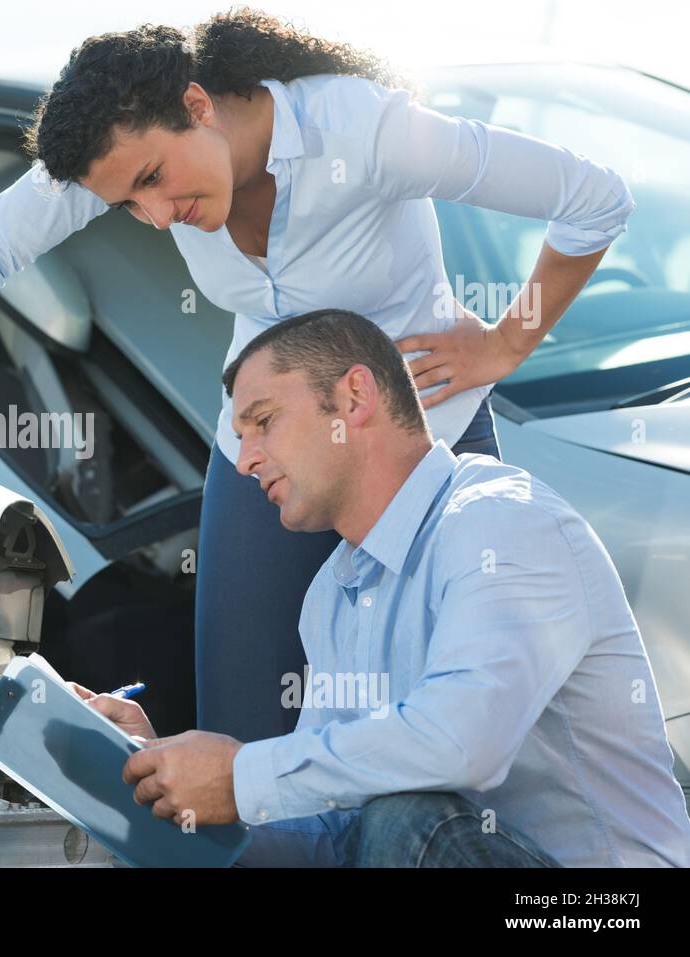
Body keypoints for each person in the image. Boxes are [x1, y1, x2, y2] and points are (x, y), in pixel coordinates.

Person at [0, 8, 633, 746]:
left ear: (198, 105)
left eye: (151, 181)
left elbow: (594, 196)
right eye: (130, 205)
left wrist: (502, 346)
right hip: (264, 462)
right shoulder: (125, 157)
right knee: (242, 734)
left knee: (429, 735)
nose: (157, 216)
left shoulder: (367, 132)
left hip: (419, 457)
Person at [74, 308, 690, 867]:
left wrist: (238, 775)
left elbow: (460, 744)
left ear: (355, 397)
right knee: (373, 820)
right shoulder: (331, 596)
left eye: (263, 422)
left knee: (403, 816)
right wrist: (159, 780)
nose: (245, 460)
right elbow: (329, 833)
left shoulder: (503, 522)